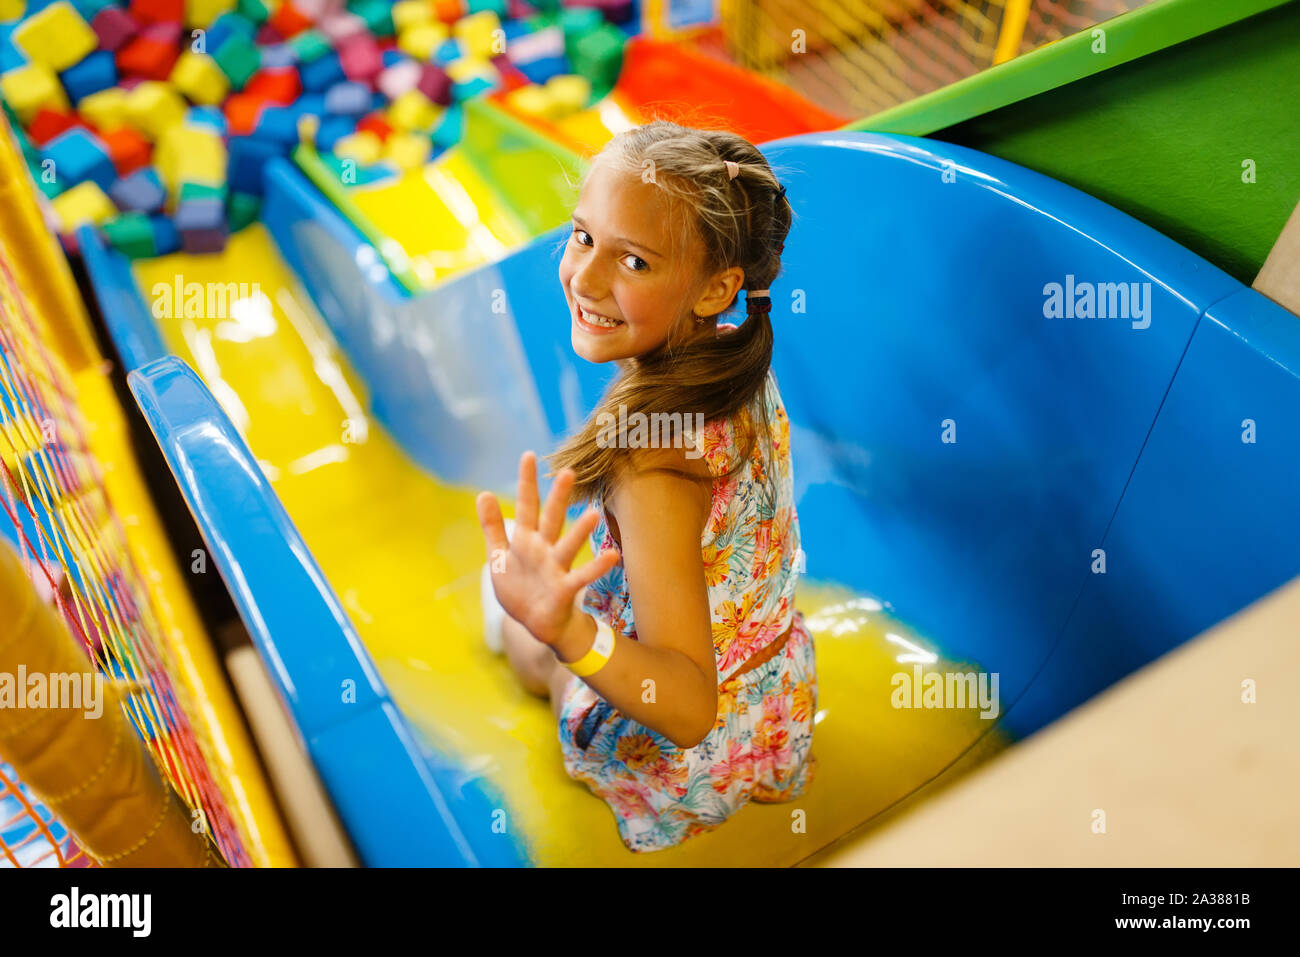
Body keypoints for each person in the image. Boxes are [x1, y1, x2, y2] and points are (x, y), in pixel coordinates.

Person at [476, 121, 816, 853]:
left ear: (716, 287)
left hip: (683, 758)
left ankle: (520, 624)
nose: (587, 278)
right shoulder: (737, 354)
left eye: (633, 260)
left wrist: (564, 628)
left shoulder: (649, 466)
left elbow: (689, 708)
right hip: (770, 705)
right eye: (582, 236)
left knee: (528, 638)